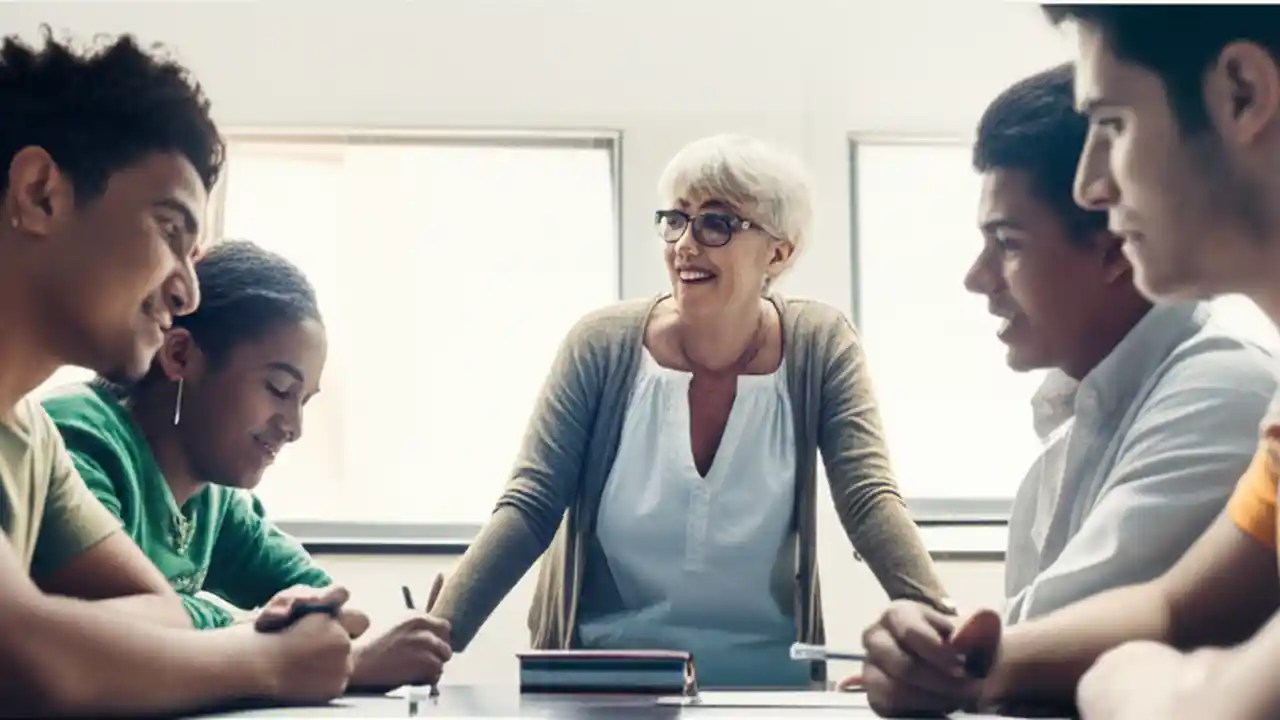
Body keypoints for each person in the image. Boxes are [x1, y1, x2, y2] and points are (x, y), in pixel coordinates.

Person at [855, 5, 1280, 719]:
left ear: (1242, 93)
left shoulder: (1226, 381)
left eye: (1112, 124)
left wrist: (1135, 677)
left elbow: (1209, 702)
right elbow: (1173, 612)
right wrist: (966, 667)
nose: (1093, 188)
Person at [430, 133, 951, 688]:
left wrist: (951, 639)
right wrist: (436, 633)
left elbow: (870, 501)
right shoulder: (600, 345)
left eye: (716, 223)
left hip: (766, 687)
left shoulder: (820, 346)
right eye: (676, 219)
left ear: (779, 251)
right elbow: (530, 505)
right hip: (600, 682)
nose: (685, 245)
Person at [0, 28, 359, 715]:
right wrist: (266, 655)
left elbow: (160, 614)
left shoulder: (33, 444)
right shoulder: (75, 431)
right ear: (42, 193)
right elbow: (26, 659)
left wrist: (71, 638)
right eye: (170, 230)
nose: (187, 294)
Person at [43, 240, 454, 689]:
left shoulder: (216, 502)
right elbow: (124, 623)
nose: (294, 428)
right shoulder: (78, 440)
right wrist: (260, 631)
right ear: (180, 355)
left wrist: (362, 632)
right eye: (279, 389)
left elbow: (319, 602)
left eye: (304, 402)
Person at [968, 64, 1275, 625]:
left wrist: (949, 660)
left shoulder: (1226, 386)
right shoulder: (1079, 407)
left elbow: (1054, 636)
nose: (977, 277)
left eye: (1007, 243)